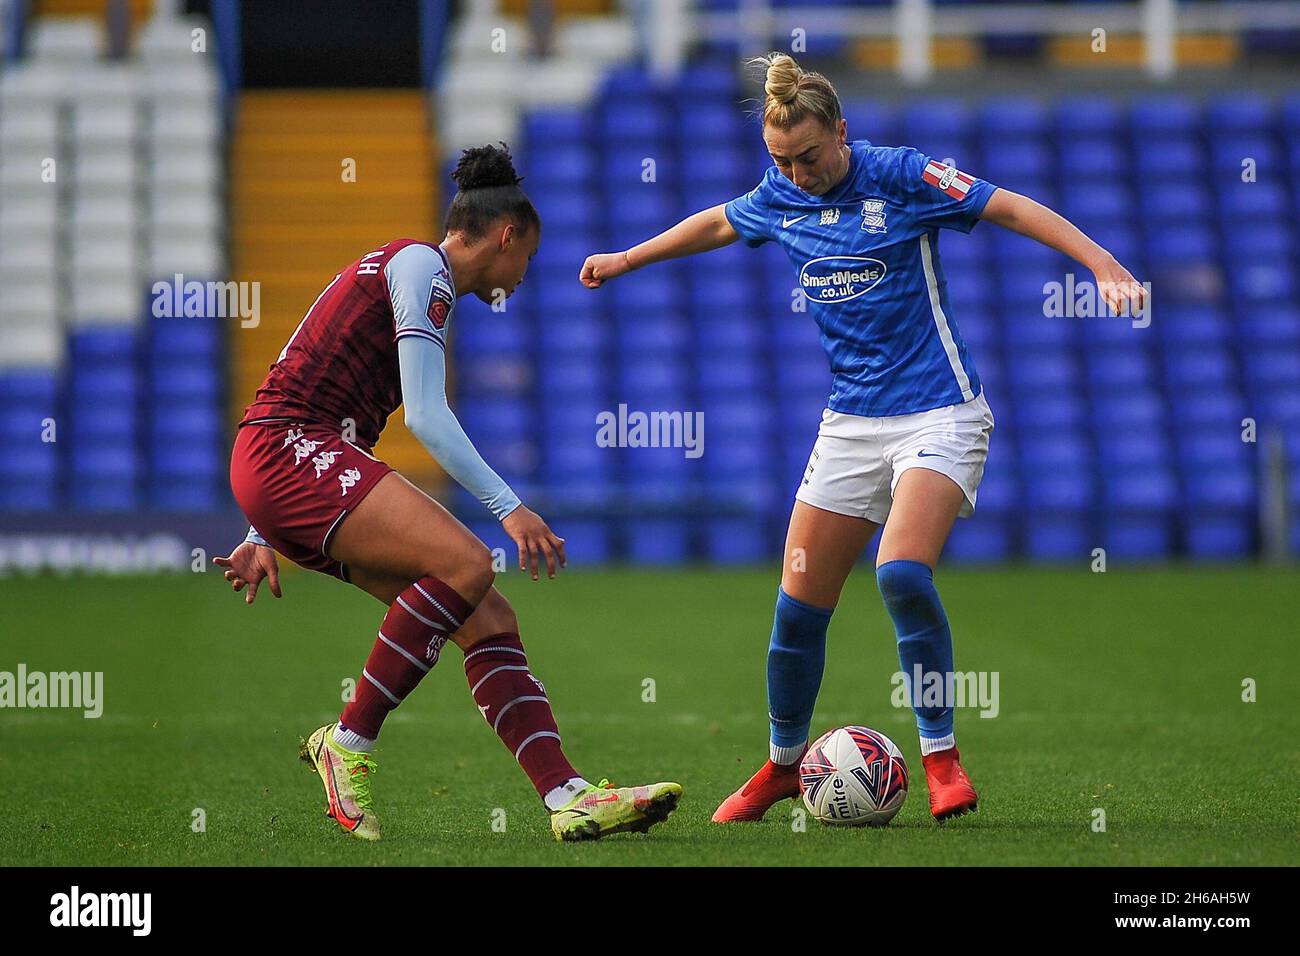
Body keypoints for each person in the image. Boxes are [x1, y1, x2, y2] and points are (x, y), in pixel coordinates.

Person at [579, 55, 1145, 823]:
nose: (796, 174)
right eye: (780, 161)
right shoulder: (779, 193)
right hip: (850, 425)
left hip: (940, 413)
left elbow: (1008, 208)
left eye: (809, 157)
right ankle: (782, 768)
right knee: (797, 611)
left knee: (901, 574)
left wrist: (1101, 263)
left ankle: (941, 757)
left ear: (841, 133)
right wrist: (626, 258)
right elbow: (717, 221)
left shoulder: (903, 176)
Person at [216, 143, 682, 842]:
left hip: (287, 461)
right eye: (528, 257)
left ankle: (568, 796)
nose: (524, 276)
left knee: (488, 618)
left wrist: (261, 529)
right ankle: (348, 743)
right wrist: (511, 509)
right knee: (467, 564)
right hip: (289, 453)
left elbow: (315, 383)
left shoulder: (408, 271)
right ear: (506, 235)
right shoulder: (425, 269)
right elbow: (425, 415)